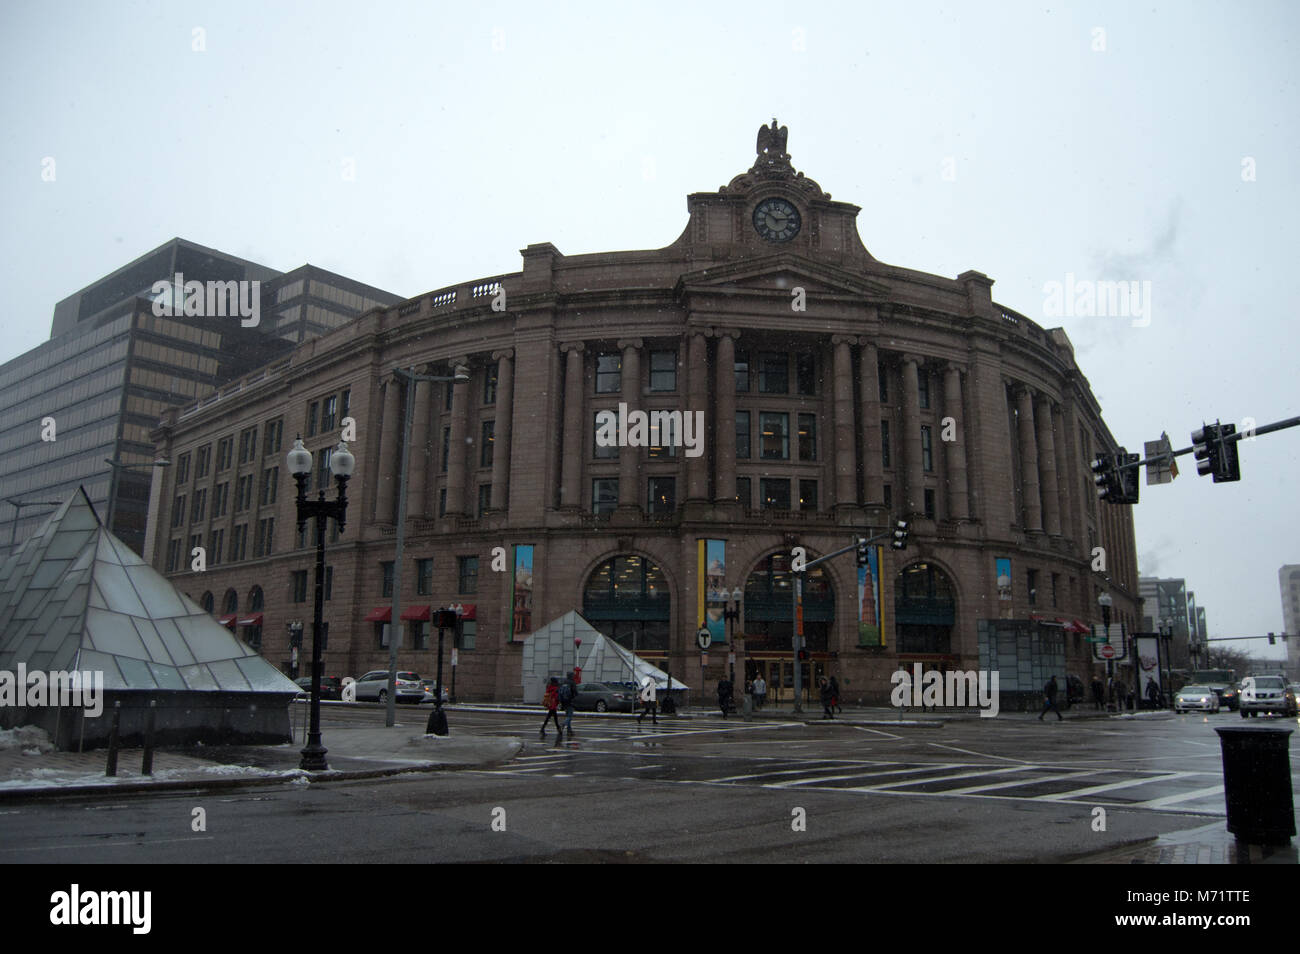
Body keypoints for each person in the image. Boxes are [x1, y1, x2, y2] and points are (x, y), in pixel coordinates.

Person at [559, 671, 578, 738]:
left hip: (564, 701)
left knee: (567, 715)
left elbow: (560, 691)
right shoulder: (572, 682)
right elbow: (575, 692)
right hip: (570, 701)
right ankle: (563, 724)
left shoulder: (564, 682)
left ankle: (569, 730)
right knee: (569, 716)